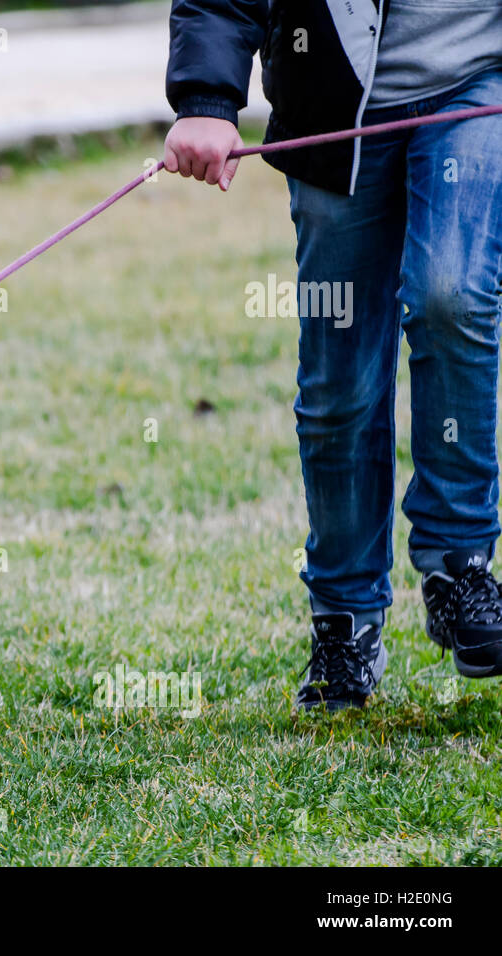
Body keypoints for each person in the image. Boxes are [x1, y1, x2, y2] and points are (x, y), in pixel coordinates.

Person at [163, 1, 502, 710]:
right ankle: (345, 620)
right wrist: (205, 97)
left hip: (480, 80)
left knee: (453, 294)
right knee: (340, 380)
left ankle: (459, 564)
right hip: (333, 104)